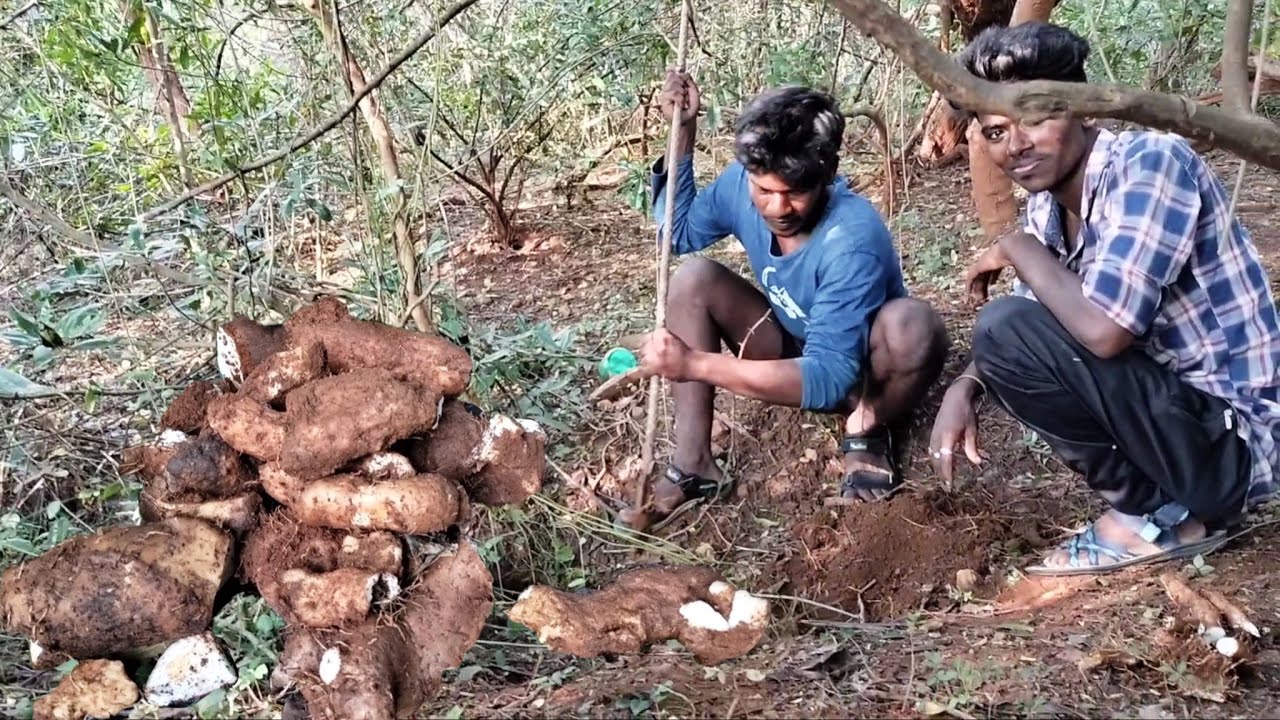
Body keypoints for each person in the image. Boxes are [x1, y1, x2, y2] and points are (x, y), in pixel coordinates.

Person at [930, 22, 1280, 575]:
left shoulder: (1151, 164)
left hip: (1238, 444)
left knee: (1003, 326)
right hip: (1179, 426)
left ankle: (1155, 515)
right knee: (1005, 334)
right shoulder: (1050, 206)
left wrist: (1017, 247)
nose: (1017, 145)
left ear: (1083, 106)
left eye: (1037, 115)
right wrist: (966, 387)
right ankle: (1160, 509)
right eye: (996, 132)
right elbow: (1039, 322)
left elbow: (1103, 331)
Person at [636, 70, 950, 518]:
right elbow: (678, 233)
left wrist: (694, 364)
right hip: (791, 342)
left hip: (862, 369)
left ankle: (868, 430)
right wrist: (682, 132)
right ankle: (693, 464)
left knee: (913, 327)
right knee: (693, 280)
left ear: (828, 174)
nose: (777, 208)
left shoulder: (851, 238)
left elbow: (829, 379)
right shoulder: (739, 184)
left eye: (796, 193)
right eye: (763, 190)